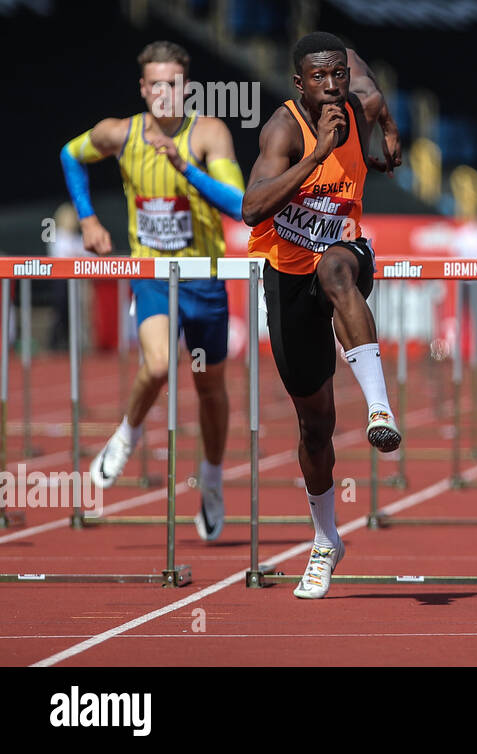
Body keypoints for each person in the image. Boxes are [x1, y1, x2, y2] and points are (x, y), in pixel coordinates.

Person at [60, 40, 245, 542]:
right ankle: (127, 434)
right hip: (153, 272)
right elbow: (69, 155)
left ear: (187, 87)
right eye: (156, 84)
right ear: (143, 88)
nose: (165, 93)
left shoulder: (208, 133)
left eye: (174, 84)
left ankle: (209, 478)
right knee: (159, 365)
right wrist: (88, 218)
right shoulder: (119, 134)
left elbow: (239, 205)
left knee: (210, 387)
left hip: (204, 277)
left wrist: (185, 167)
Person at [243, 32, 401, 599]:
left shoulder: (358, 105)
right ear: (299, 84)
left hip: (343, 251)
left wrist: (388, 132)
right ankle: (326, 537)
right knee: (315, 426)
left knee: (336, 269)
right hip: (285, 275)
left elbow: (376, 92)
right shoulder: (283, 130)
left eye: (338, 73)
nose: (333, 86)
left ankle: (380, 409)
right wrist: (316, 155)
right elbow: (251, 208)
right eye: (320, 78)